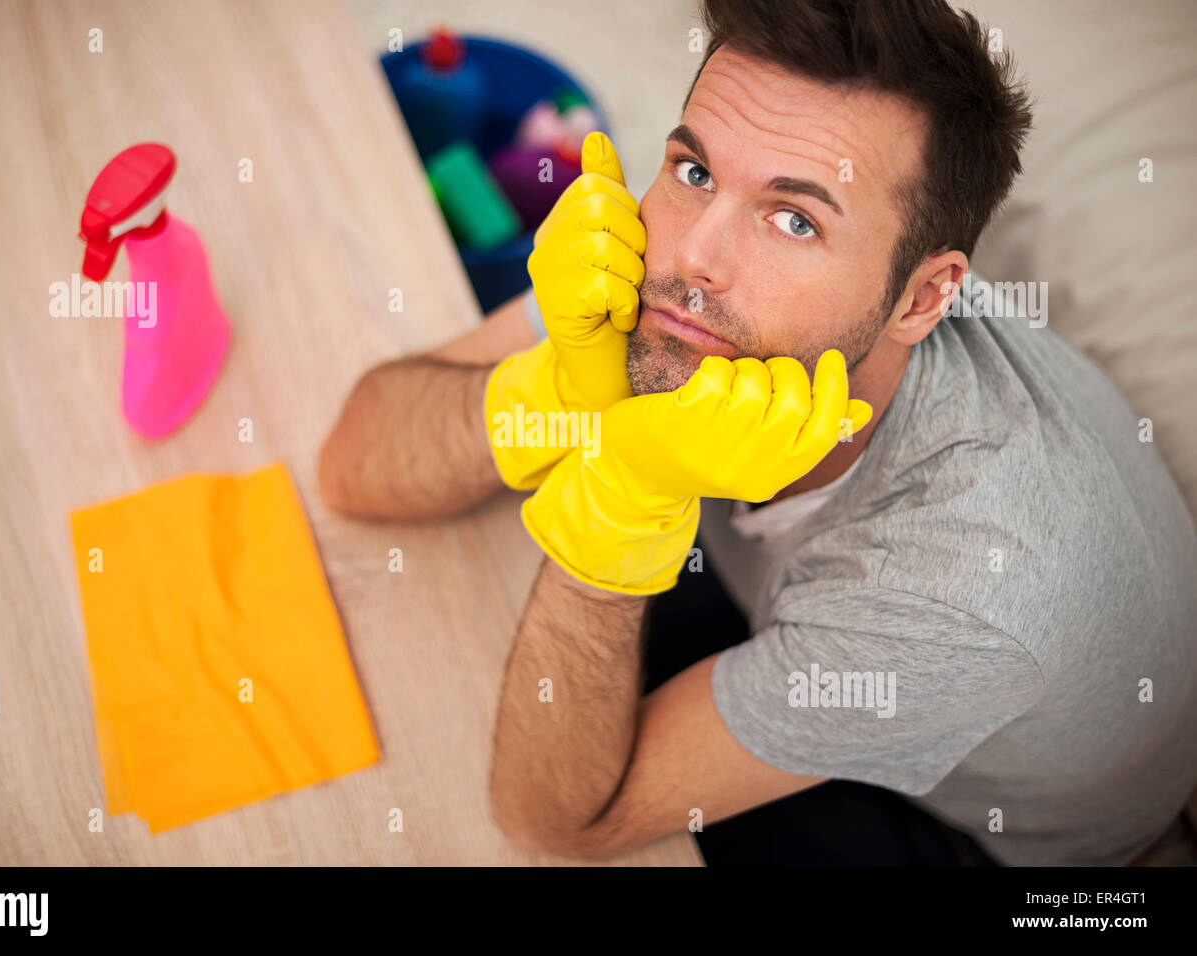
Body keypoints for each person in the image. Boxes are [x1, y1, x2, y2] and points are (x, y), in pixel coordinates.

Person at [318, 0, 1197, 866]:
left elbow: (553, 820)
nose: (693, 255)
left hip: (974, 828)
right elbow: (354, 466)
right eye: (695, 170)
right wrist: (567, 390)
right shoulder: (689, 281)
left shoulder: (958, 589)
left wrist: (628, 501)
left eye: (794, 219)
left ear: (924, 298)